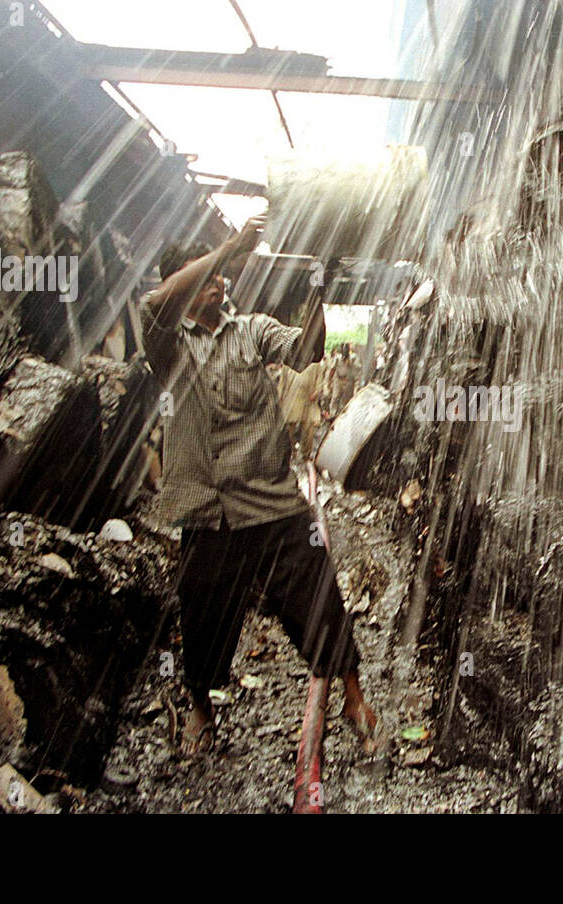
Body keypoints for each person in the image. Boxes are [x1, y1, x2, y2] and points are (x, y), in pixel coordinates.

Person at [139, 215, 378, 755]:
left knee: (316, 592)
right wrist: (227, 248)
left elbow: (307, 349)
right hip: (207, 508)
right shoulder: (168, 344)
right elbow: (154, 304)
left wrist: (321, 278)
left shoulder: (251, 329)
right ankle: (201, 709)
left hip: (271, 500)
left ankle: (353, 695)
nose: (218, 282)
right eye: (205, 276)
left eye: (221, 275)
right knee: (202, 613)